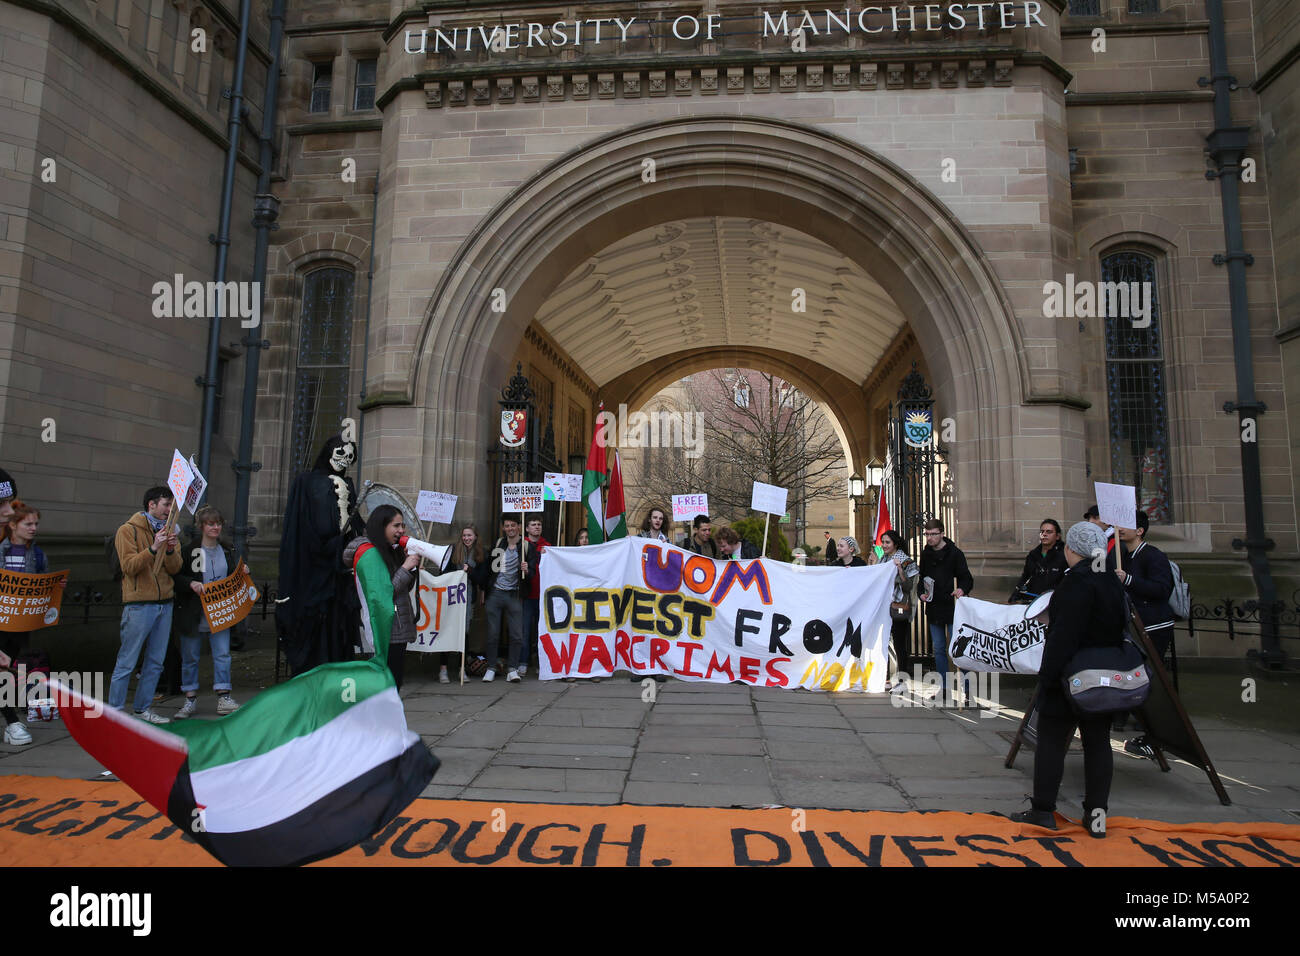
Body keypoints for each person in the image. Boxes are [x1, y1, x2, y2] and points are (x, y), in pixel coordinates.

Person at [1010, 522, 1125, 838]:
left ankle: (1043, 810)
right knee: (1098, 743)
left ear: (1072, 549)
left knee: (1051, 741)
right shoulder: (1111, 581)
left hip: (1072, 674)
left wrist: (1047, 678)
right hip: (1103, 675)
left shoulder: (1076, 581)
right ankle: (1097, 816)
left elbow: (1063, 637)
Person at [276, 436, 364, 676]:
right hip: (313, 571)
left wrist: (345, 505)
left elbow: (353, 529)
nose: (344, 460)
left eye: (349, 457)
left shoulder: (348, 484)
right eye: (340, 454)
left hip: (338, 573)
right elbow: (305, 526)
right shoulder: (307, 482)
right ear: (328, 452)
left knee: (337, 629)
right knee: (314, 629)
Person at [109, 486, 182, 723]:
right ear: (151, 504)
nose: (169, 511)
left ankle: (142, 709)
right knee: (127, 661)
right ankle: (116, 713)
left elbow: (175, 568)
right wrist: (153, 548)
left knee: (155, 663)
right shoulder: (127, 531)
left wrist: (169, 550)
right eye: (165, 505)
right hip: (139, 606)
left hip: (165, 604)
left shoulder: (170, 530)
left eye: (172, 506)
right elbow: (129, 567)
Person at [1106, 510, 1175, 759]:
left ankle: (1157, 738)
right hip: (1136, 627)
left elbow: (1161, 589)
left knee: (1150, 682)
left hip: (1153, 628)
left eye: (1126, 524)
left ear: (1140, 531)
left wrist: (1129, 579)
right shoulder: (1126, 555)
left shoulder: (1152, 555)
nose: (1119, 527)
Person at [170, 506, 242, 719]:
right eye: (211, 524)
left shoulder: (227, 550)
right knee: (190, 656)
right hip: (194, 612)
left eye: (218, 523)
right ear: (201, 526)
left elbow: (232, 576)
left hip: (219, 613)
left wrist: (242, 571)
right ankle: (190, 698)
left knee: (222, 655)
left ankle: (223, 696)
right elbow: (176, 577)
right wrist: (191, 583)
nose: (215, 527)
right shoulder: (191, 550)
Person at [342, 506, 419, 691]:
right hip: (385, 628)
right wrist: (404, 568)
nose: (401, 530)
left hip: (397, 626)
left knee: (394, 682)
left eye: (403, 525)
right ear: (381, 525)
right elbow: (383, 593)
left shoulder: (389, 549)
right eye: (396, 525)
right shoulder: (369, 553)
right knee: (387, 684)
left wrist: (410, 567)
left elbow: (403, 588)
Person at [1, 499, 47, 746]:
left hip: (18, 625)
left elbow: (42, 581)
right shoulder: (2, 550)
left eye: (36, 524)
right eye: (28, 524)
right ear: (12, 525)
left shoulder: (37, 554)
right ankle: (11, 721)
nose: (33, 528)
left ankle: (11, 723)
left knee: (4, 672)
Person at [918, 518, 975, 705]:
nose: (930, 538)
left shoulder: (954, 553)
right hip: (934, 607)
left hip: (951, 606)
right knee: (939, 649)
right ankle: (944, 688)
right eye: (927, 534)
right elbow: (921, 579)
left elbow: (966, 577)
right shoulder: (925, 554)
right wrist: (921, 594)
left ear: (942, 533)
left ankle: (968, 692)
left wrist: (961, 590)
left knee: (957, 649)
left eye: (933, 534)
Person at [483, 516, 540, 684]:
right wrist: (484, 591)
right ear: (503, 528)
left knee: (517, 634)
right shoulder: (499, 543)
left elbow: (532, 572)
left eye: (513, 525)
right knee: (493, 633)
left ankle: (512, 669)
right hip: (496, 593)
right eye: (507, 526)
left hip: (515, 594)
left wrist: (527, 570)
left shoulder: (527, 546)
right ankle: (491, 667)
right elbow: (491, 569)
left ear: (520, 526)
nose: (510, 528)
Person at [875, 530, 920, 685]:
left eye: (887, 542)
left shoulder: (907, 562)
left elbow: (909, 586)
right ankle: (885, 675)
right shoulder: (883, 559)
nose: (884, 545)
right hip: (883, 607)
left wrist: (900, 570)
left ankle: (902, 678)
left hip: (899, 607)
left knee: (900, 643)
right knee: (883, 642)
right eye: (883, 542)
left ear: (895, 543)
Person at [447, 524, 489, 682]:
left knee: (464, 633)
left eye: (469, 535)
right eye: (464, 535)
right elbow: (445, 573)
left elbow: (482, 578)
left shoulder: (481, 554)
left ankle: (462, 668)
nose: (466, 538)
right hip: (452, 597)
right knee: (449, 631)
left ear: (476, 537)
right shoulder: (453, 551)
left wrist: (470, 572)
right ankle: (443, 668)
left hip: (468, 598)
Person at [1012, 519, 1067, 603]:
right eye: (1042, 532)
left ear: (1057, 536)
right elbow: (1025, 577)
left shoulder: (1065, 554)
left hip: (1054, 603)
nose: (1044, 534)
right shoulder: (1033, 555)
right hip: (1032, 602)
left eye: (1049, 532)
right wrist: (1015, 596)